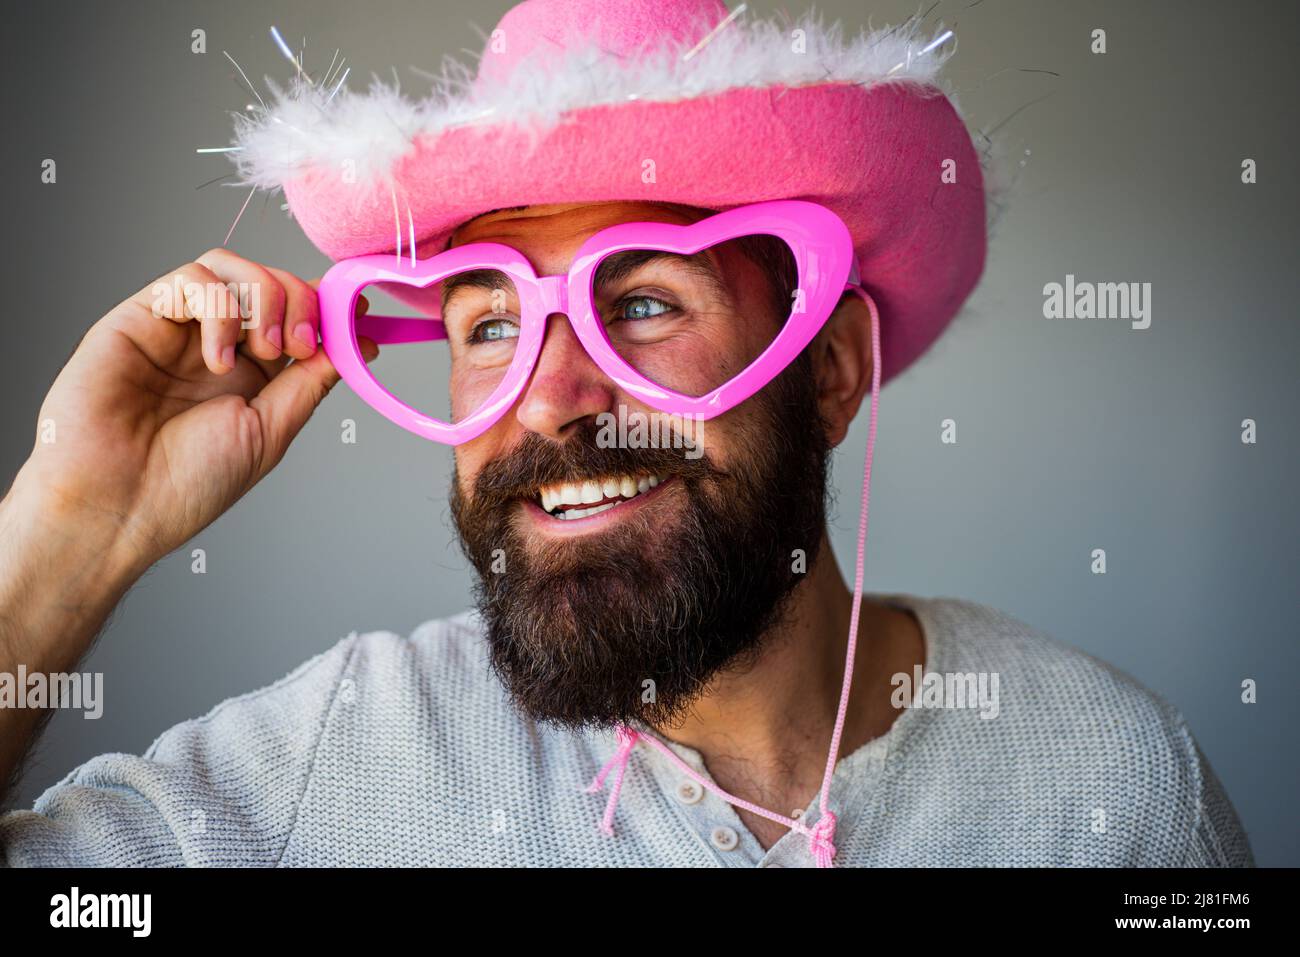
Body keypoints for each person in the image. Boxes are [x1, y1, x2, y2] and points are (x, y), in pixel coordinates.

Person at [0, 0, 1253, 867]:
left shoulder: (1109, 783)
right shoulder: (346, 758)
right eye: (488, 327)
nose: (549, 400)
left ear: (827, 368)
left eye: (644, 303)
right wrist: (71, 534)